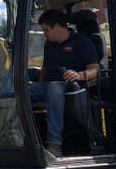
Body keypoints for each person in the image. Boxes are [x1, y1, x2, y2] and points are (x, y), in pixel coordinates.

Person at [27, 9, 101, 158]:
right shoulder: (49, 44)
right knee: (20, 91)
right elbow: (45, 68)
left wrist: (77, 75)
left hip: (69, 85)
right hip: (48, 85)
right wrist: (35, 84)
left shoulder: (81, 41)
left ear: (57, 26)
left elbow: (95, 69)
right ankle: (23, 138)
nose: (44, 34)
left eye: (46, 30)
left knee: (54, 87)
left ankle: (54, 144)